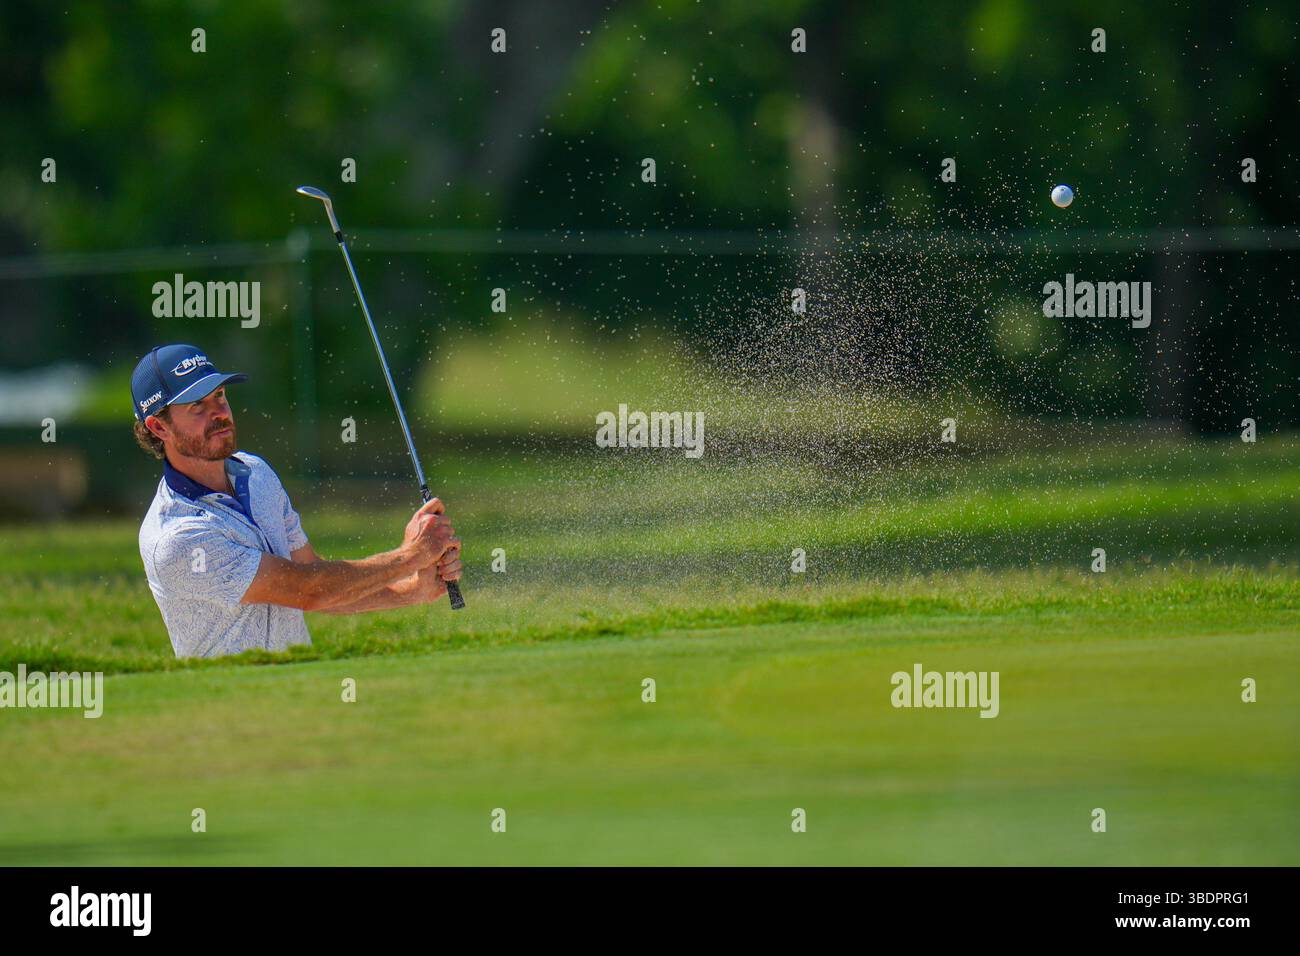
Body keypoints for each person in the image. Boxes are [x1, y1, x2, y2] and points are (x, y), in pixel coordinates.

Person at [131, 343, 460, 659]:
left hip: (299, 694)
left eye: (219, 396)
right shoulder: (178, 538)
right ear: (159, 427)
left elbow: (314, 575)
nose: (218, 413)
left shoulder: (256, 474)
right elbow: (309, 590)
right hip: (231, 708)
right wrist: (412, 555)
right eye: (196, 407)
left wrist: (411, 590)